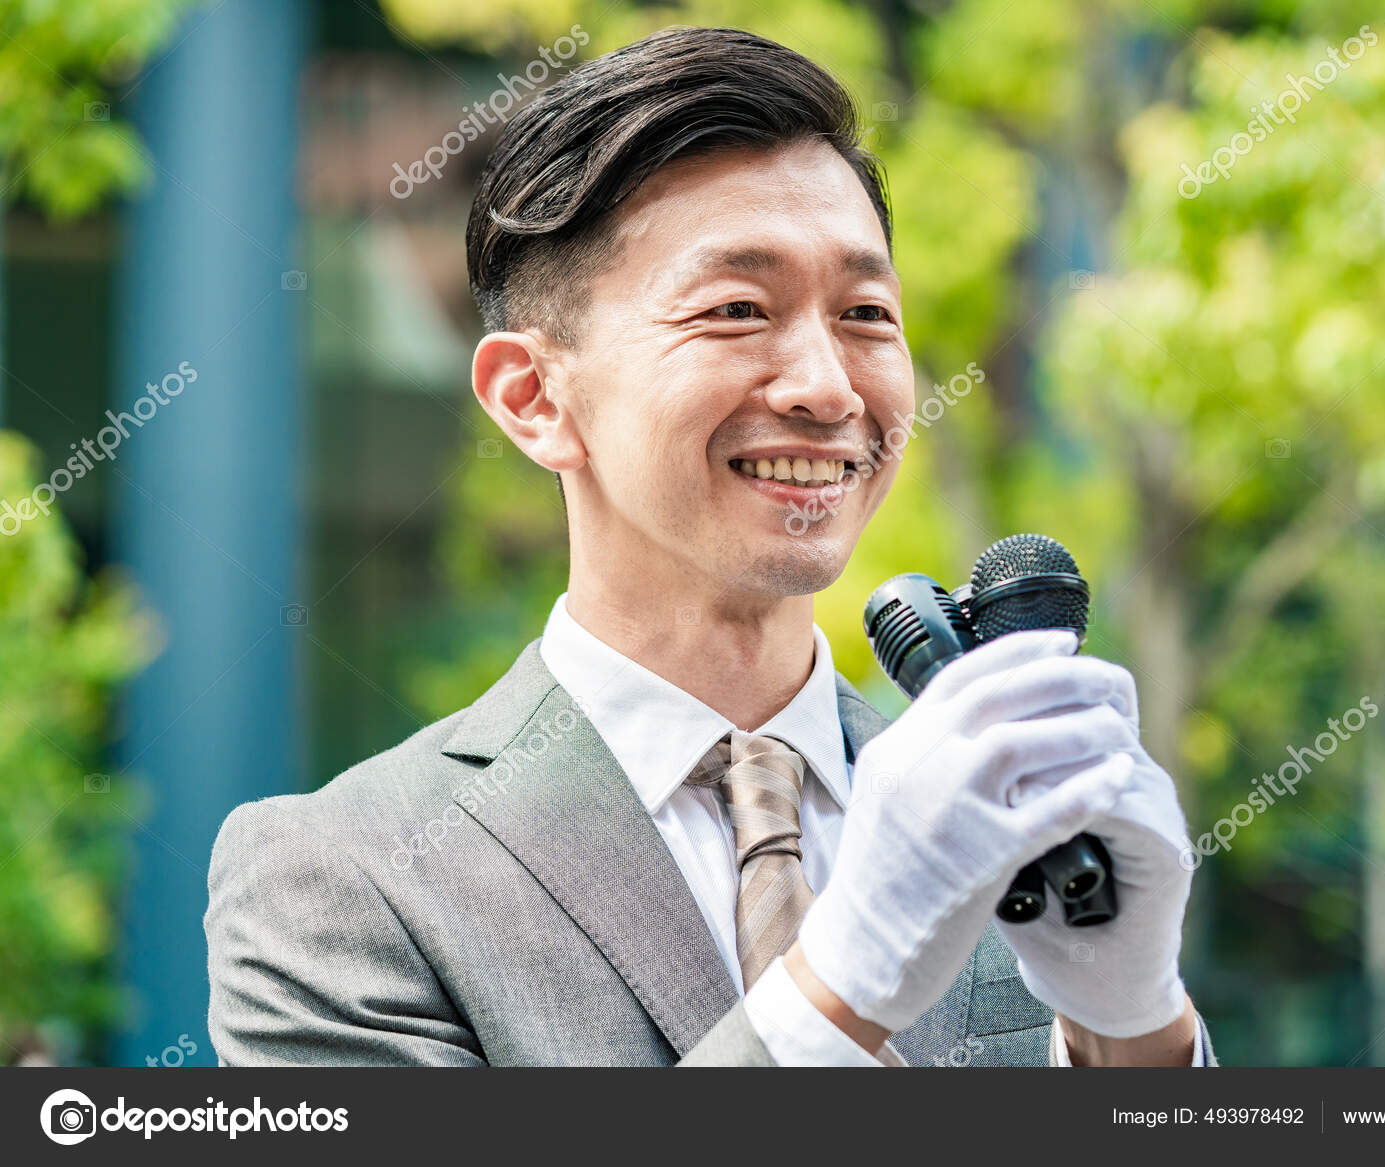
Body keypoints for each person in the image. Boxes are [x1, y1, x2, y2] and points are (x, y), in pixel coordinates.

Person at [204, 25, 1215, 1067]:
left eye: (866, 313)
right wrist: (848, 978)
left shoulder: (1014, 823)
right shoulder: (343, 879)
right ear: (534, 396)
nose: (827, 388)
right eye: (737, 309)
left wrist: (1133, 1025)